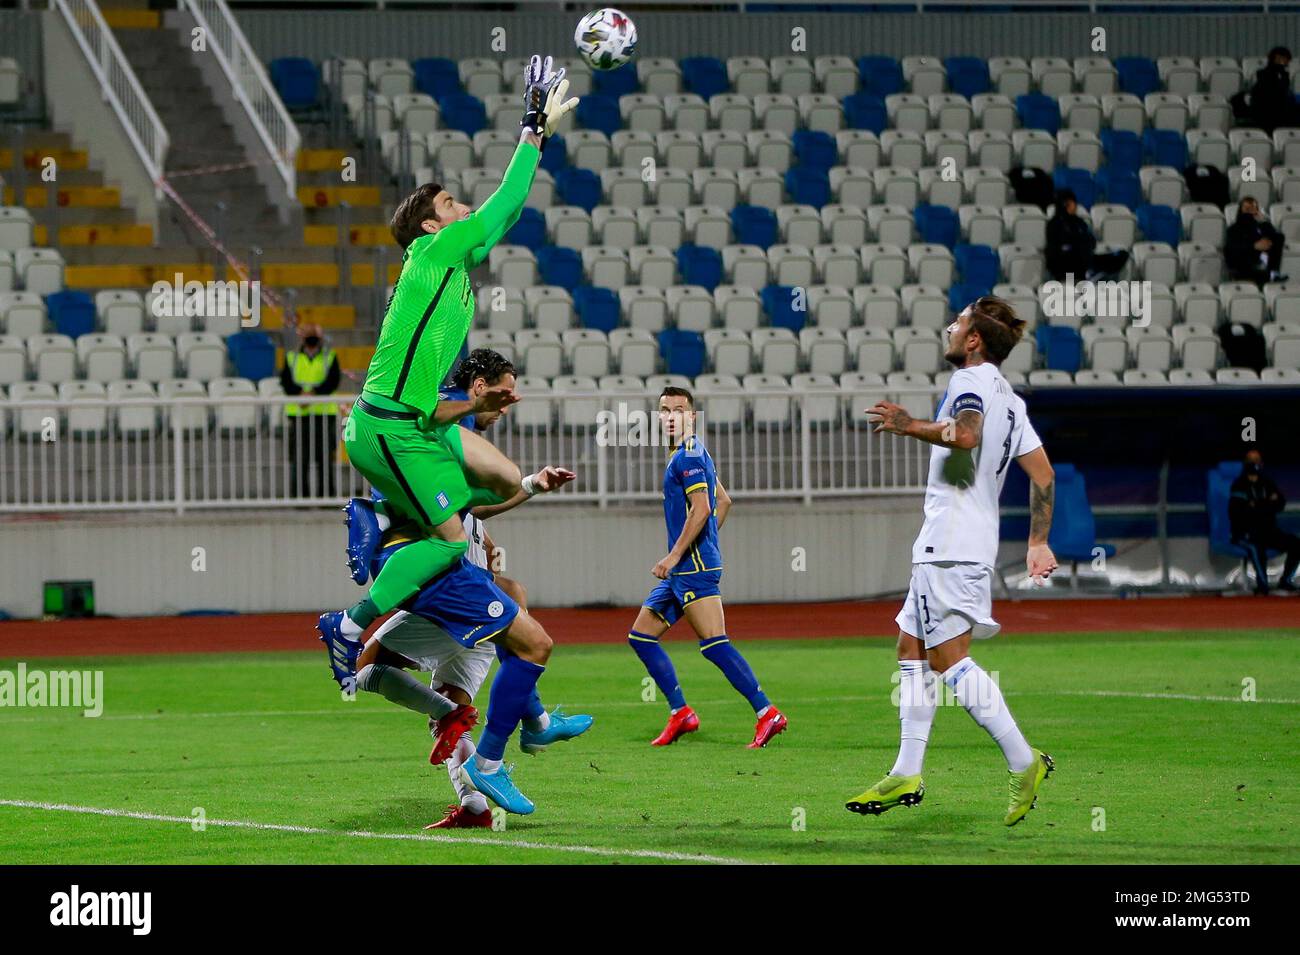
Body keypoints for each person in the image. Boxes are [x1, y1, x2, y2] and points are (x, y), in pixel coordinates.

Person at [317, 56, 578, 702]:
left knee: (455, 535)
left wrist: (472, 403)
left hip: (406, 427)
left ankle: (378, 546)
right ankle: (351, 619)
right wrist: (531, 127)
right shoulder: (430, 253)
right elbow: (503, 208)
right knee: (450, 539)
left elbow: (503, 217)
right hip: (384, 427)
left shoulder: (451, 279)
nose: (462, 206)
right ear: (431, 226)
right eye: (448, 202)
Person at [344, 348, 591, 822]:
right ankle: (522, 731)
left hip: (455, 587)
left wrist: (529, 488)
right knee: (517, 639)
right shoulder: (445, 429)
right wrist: (527, 485)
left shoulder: (446, 436)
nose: (507, 404)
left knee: (388, 671)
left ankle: (483, 783)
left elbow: (469, 506)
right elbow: (467, 500)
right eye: (503, 393)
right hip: (450, 587)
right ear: (479, 386)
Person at [849, 295, 1058, 827]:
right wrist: (1037, 541)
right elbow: (1044, 475)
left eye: (958, 321)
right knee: (911, 647)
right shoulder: (1012, 401)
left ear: (973, 340)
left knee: (947, 660)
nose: (949, 326)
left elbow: (965, 435)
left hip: (950, 545)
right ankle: (907, 770)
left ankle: (1023, 759)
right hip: (962, 545)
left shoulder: (970, 383)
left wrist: (908, 423)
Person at [624, 386, 788, 749]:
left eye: (678, 410)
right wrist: (705, 541)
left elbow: (702, 509)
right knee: (640, 637)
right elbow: (723, 501)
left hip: (691, 568)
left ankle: (767, 712)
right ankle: (681, 712)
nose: (670, 416)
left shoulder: (689, 455)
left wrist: (676, 555)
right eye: (664, 410)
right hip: (687, 567)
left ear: (692, 416)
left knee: (714, 644)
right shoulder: (685, 453)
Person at [281, 323, 341, 497]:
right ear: (302, 337)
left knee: (325, 459)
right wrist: (299, 394)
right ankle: (300, 498)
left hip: (324, 415)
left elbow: (333, 381)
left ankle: (326, 497)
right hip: (299, 417)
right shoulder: (291, 357)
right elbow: (286, 382)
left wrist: (311, 394)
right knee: (299, 459)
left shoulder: (329, 356)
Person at [1230, 447, 1299, 595]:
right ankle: (1263, 586)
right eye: (1250, 460)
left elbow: (1279, 503)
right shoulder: (1239, 484)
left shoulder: (1266, 482)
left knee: (1296, 544)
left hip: (1268, 530)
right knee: (1256, 547)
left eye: (1256, 460)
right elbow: (1240, 511)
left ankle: (1285, 581)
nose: (1254, 463)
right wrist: (1266, 503)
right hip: (1245, 532)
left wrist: (1257, 504)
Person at [1044, 189, 1127, 283]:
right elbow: (1057, 248)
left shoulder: (1079, 222)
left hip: (1084, 259)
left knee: (1122, 254)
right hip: (1065, 265)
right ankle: (1089, 274)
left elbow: (1091, 241)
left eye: (1073, 203)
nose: (1074, 206)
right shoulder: (1053, 224)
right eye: (1070, 204)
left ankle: (1094, 273)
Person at [1225, 197, 1288, 287]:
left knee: (1277, 237)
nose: (1250, 212)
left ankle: (1273, 273)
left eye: (1253, 209)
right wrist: (1253, 246)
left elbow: (1277, 238)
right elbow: (1233, 249)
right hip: (1241, 267)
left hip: (1260, 265)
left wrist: (1263, 222)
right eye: (1247, 209)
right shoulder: (1233, 229)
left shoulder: (1260, 226)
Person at [1247, 47, 1300, 135]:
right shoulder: (1266, 75)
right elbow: (1277, 95)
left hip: (1278, 110)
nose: (1287, 64)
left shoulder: (1281, 75)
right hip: (1269, 113)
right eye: (1286, 60)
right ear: (1278, 58)